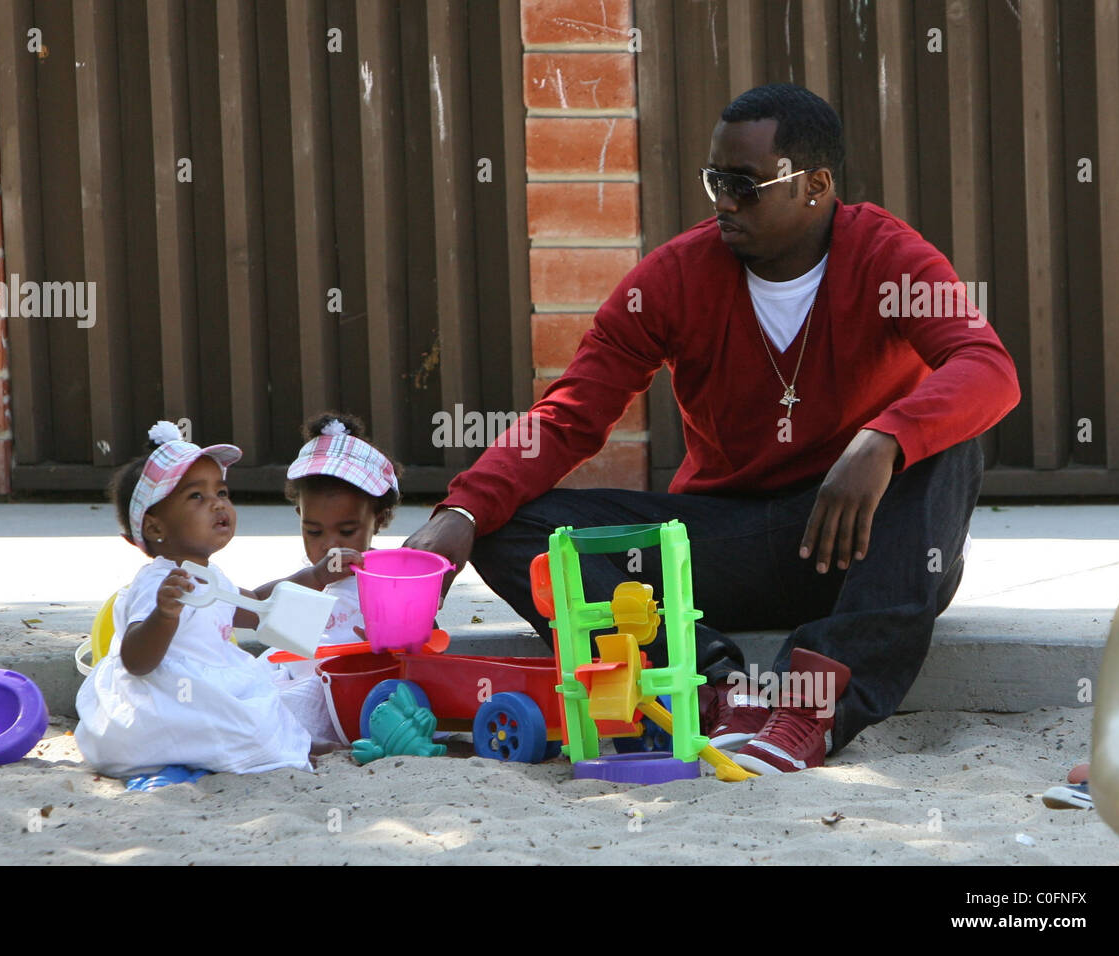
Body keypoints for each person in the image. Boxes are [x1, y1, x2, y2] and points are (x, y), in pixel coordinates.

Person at [404, 83, 1020, 775]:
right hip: (721, 544)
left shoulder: (886, 257)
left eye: (746, 185)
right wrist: (460, 509)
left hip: (861, 545)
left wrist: (883, 440)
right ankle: (711, 689)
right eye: (715, 181)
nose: (724, 201)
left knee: (951, 445)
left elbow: (989, 368)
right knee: (511, 526)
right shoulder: (672, 278)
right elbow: (571, 414)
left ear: (815, 185)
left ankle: (809, 709)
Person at [75, 421, 334, 778]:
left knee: (263, 701)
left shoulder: (210, 577)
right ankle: (276, 750)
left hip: (206, 693)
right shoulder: (158, 582)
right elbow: (136, 661)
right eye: (197, 496)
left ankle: (292, 742)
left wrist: (318, 575)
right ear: (155, 528)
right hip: (164, 701)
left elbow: (259, 604)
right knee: (245, 720)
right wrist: (165, 615)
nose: (217, 504)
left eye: (222, 493)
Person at [272, 412, 403, 676]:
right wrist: (314, 577)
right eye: (314, 531)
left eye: (346, 531)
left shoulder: (391, 577)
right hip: (298, 686)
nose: (330, 546)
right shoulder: (307, 577)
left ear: (378, 520)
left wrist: (393, 645)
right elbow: (256, 606)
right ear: (300, 518)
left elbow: (427, 640)